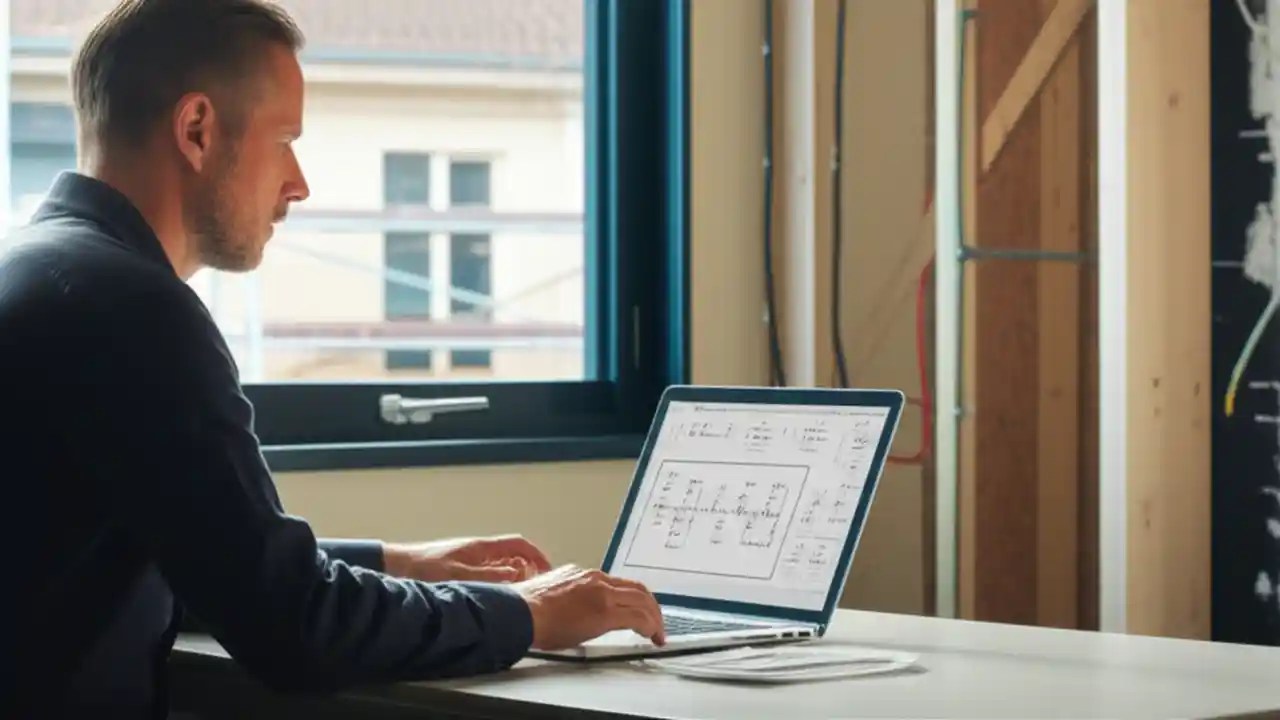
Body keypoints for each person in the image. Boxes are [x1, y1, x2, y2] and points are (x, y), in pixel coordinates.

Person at [0, 1, 665, 716]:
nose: (299, 183)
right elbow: (294, 623)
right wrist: (531, 614)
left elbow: (203, 560)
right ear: (196, 130)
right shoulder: (134, 313)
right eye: (284, 139)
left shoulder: (42, 275)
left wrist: (403, 562)